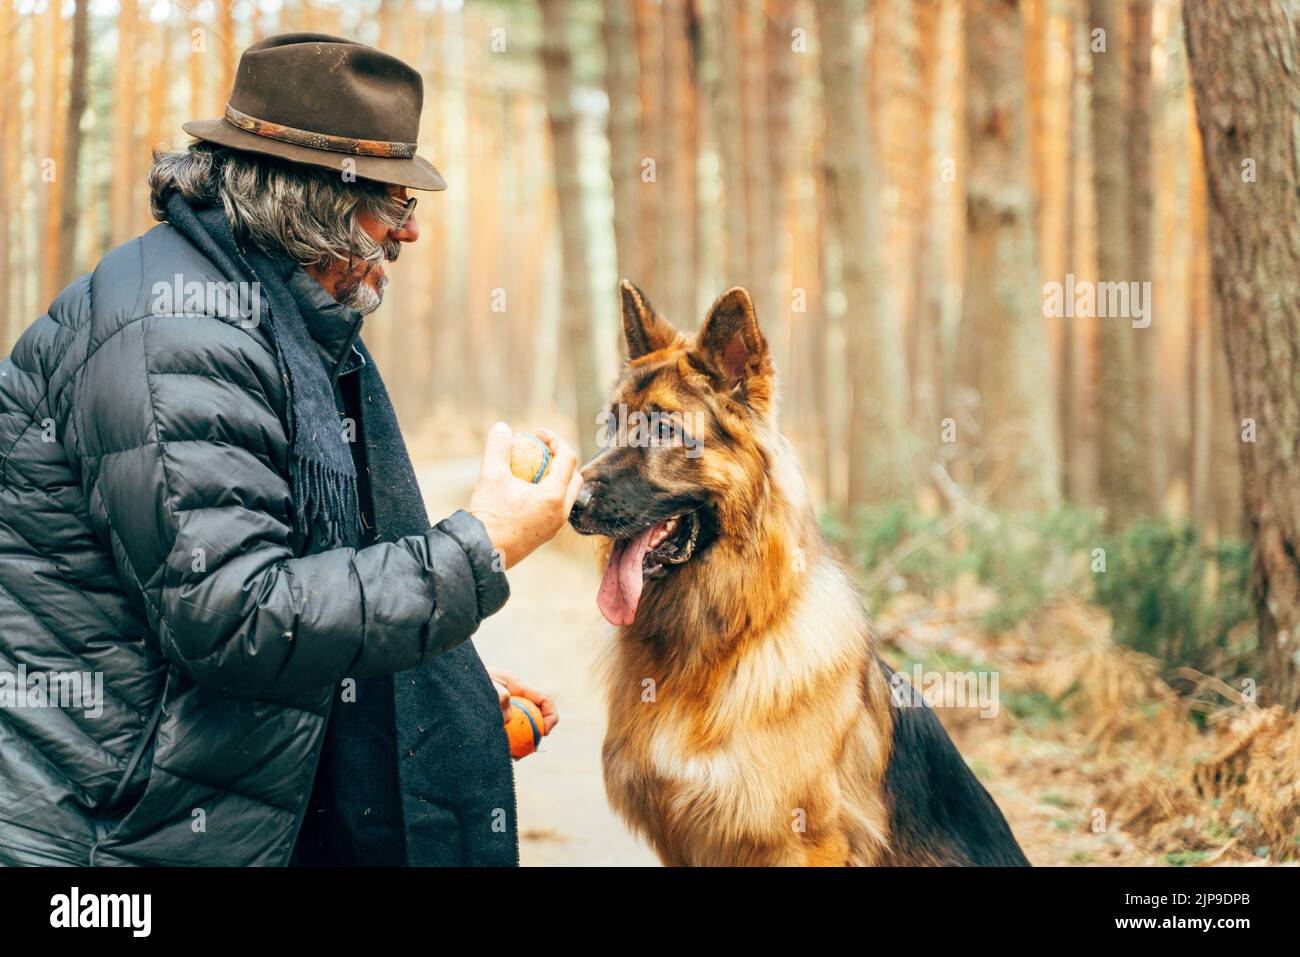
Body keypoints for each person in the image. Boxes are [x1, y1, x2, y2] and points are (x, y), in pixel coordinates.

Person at [0, 32, 579, 866]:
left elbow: (296, 569)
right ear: (313, 201)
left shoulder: (270, 320)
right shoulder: (175, 333)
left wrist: (416, 689)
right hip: (109, 839)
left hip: (193, 807)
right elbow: (237, 616)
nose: (408, 235)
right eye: (395, 204)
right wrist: (479, 548)